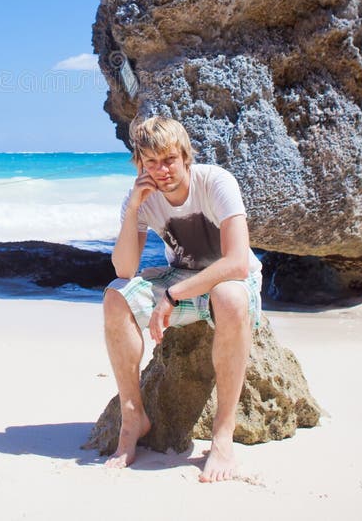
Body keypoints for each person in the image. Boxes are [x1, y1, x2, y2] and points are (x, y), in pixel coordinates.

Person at [103, 115, 262, 482]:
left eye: (169, 159)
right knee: (115, 298)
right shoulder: (142, 197)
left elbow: (237, 262)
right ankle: (133, 419)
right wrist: (132, 210)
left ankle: (223, 434)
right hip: (183, 278)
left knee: (229, 298)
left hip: (231, 281)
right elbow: (124, 269)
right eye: (151, 162)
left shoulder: (216, 182)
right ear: (140, 165)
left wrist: (173, 295)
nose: (161, 170)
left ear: (185, 156)